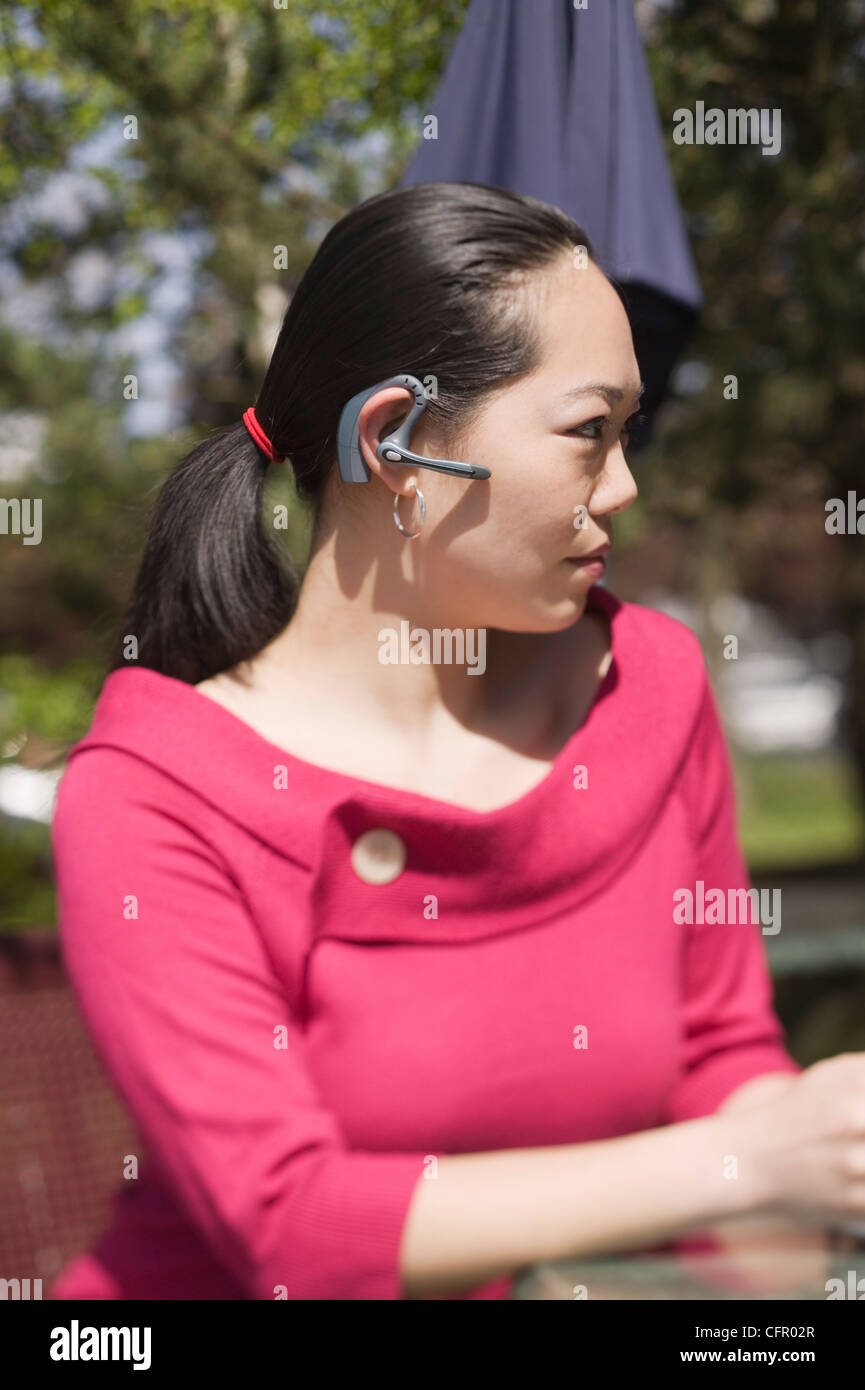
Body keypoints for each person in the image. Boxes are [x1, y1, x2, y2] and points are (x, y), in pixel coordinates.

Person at [50, 182, 865, 1301]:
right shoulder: (155, 797)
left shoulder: (653, 687)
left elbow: (721, 1054)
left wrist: (818, 1161)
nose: (624, 487)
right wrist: (741, 1163)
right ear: (394, 445)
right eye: (589, 434)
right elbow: (289, 1225)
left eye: (629, 434)